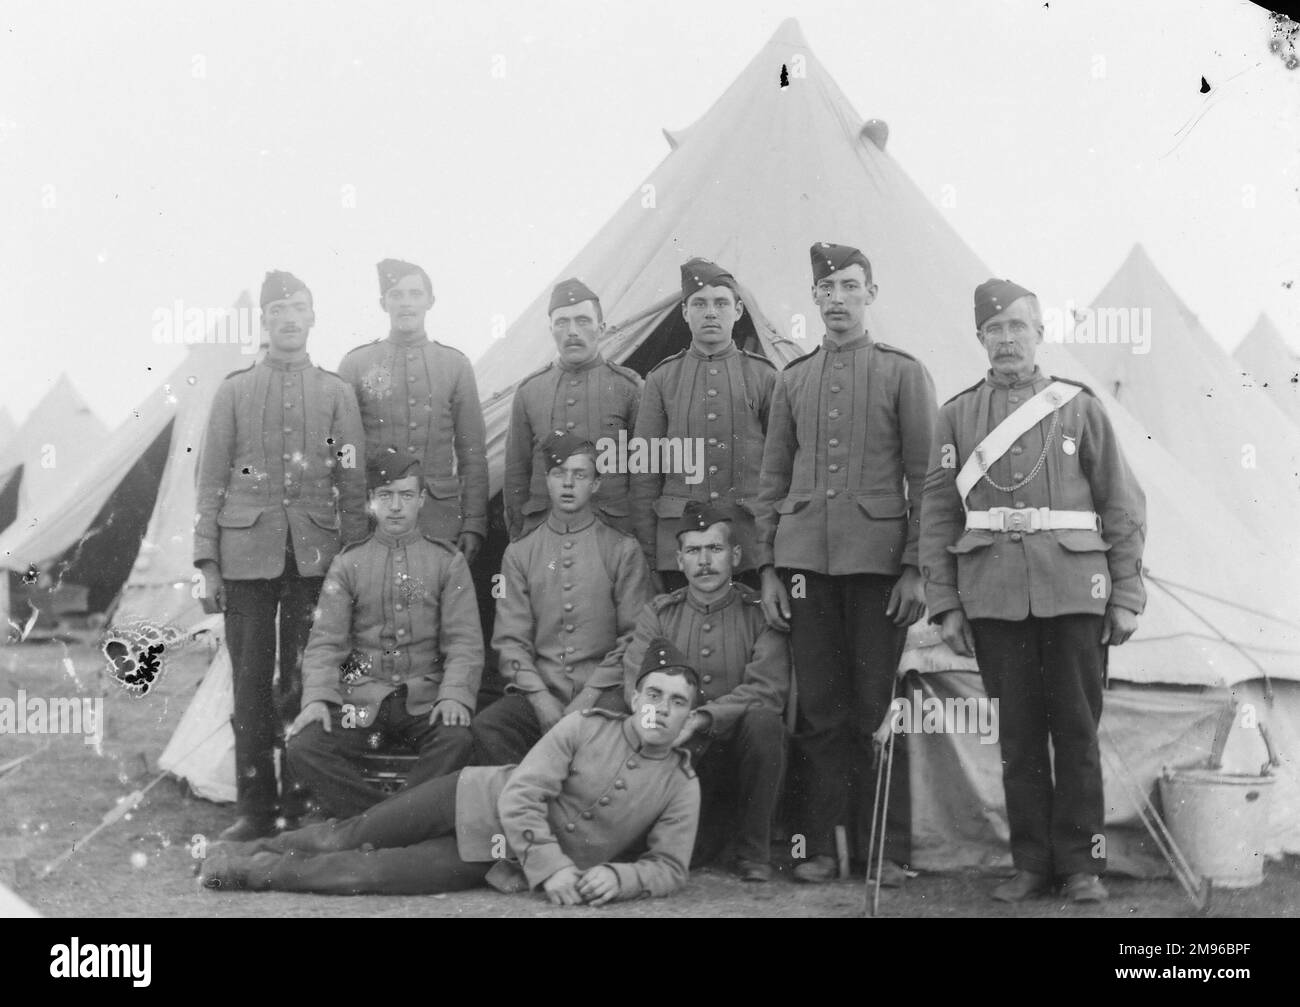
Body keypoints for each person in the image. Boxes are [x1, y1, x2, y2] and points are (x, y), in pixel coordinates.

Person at [919, 278, 1146, 904]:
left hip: (1074, 590)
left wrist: (1125, 593)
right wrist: (945, 602)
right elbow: (938, 514)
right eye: (995, 329)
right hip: (993, 594)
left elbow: (1121, 504)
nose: (1007, 339)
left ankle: (1081, 865)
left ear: (1040, 333)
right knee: (1017, 739)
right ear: (980, 339)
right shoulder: (957, 415)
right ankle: (1031, 864)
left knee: (1075, 731)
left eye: (1019, 326)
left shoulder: (1078, 407)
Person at [200, 638, 702, 903]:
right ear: (635, 698)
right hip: (469, 797)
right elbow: (521, 794)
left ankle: (248, 871)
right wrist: (555, 869)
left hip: (493, 855)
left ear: (688, 716)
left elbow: (670, 868)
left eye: (677, 702)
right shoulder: (585, 728)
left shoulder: (680, 785)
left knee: (367, 871)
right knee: (347, 835)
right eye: (654, 694)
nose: (661, 708)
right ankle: (236, 857)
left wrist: (620, 878)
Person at [753, 242, 936, 884]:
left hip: (878, 566)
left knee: (874, 708)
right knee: (820, 710)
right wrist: (770, 570)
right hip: (805, 565)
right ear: (814, 298)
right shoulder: (794, 378)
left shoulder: (902, 373)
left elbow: (927, 479)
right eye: (826, 288)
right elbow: (772, 477)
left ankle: (882, 849)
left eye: (849, 286)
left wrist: (917, 567)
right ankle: (819, 848)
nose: (837, 299)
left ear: (871, 293)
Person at [194, 270, 368, 842]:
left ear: (312, 317)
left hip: (316, 561)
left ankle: (299, 800)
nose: (289, 318)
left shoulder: (336, 392)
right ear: (264, 321)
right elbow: (210, 480)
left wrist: (351, 562)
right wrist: (207, 564)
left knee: (303, 680)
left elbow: (353, 482)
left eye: (299, 308)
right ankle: (255, 808)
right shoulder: (234, 390)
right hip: (244, 559)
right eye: (278, 310)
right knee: (249, 684)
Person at [285, 457, 483, 819]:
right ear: (371, 500)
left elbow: (464, 643)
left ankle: (373, 824)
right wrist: (315, 699)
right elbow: (326, 644)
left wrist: (454, 695)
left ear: (422, 499)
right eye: (386, 495)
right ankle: (389, 821)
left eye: (406, 496)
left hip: (424, 700)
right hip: (359, 701)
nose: (395, 506)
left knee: (459, 740)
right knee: (304, 747)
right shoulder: (348, 564)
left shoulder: (447, 563)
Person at [622, 501, 789, 882]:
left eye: (714, 549)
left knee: (765, 723)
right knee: (690, 856)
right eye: (694, 551)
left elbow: (767, 690)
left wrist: (703, 718)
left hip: (739, 754)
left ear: (734, 556)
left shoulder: (760, 612)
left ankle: (754, 854)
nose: (704, 561)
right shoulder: (660, 614)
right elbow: (638, 685)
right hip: (679, 755)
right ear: (679, 560)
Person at [472, 433, 651, 765]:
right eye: (558, 473)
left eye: (580, 475)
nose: (568, 483)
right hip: (541, 690)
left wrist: (589, 697)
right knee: (488, 727)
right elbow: (511, 642)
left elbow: (634, 636)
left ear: (595, 484)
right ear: (547, 480)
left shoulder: (622, 549)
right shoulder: (520, 553)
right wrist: (540, 700)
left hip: (604, 693)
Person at [629, 258, 776, 592]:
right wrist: (651, 555)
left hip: (747, 544)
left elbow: (781, 468)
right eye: (700, 303)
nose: (711, 312)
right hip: (681, 546)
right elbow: (644, 474)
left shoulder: (764, 376)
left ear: (738, 310)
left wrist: (771, 549)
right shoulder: (662, 379)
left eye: (721, 303)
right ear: (684, 312)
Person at [337, 258, 487, 565]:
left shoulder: (455, 365)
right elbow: (345, 453)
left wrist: (473, 522)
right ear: (383, 303)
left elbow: (472, 453)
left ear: (430, 301)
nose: (406, 303)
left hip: (439, 520)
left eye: (415, 294)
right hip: (374, 522)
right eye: (396, 294)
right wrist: (353, 526)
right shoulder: (356, 364)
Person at [504, 278, 641, 540]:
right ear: (551, 330)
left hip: (612, 535)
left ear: (600, 328)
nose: (572, 331)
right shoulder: (529, 391)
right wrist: (519, 538)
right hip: (543, 533)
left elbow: (645, 474)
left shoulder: (629, 388)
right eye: (562, 322)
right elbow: (515, 476)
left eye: (583, 320)